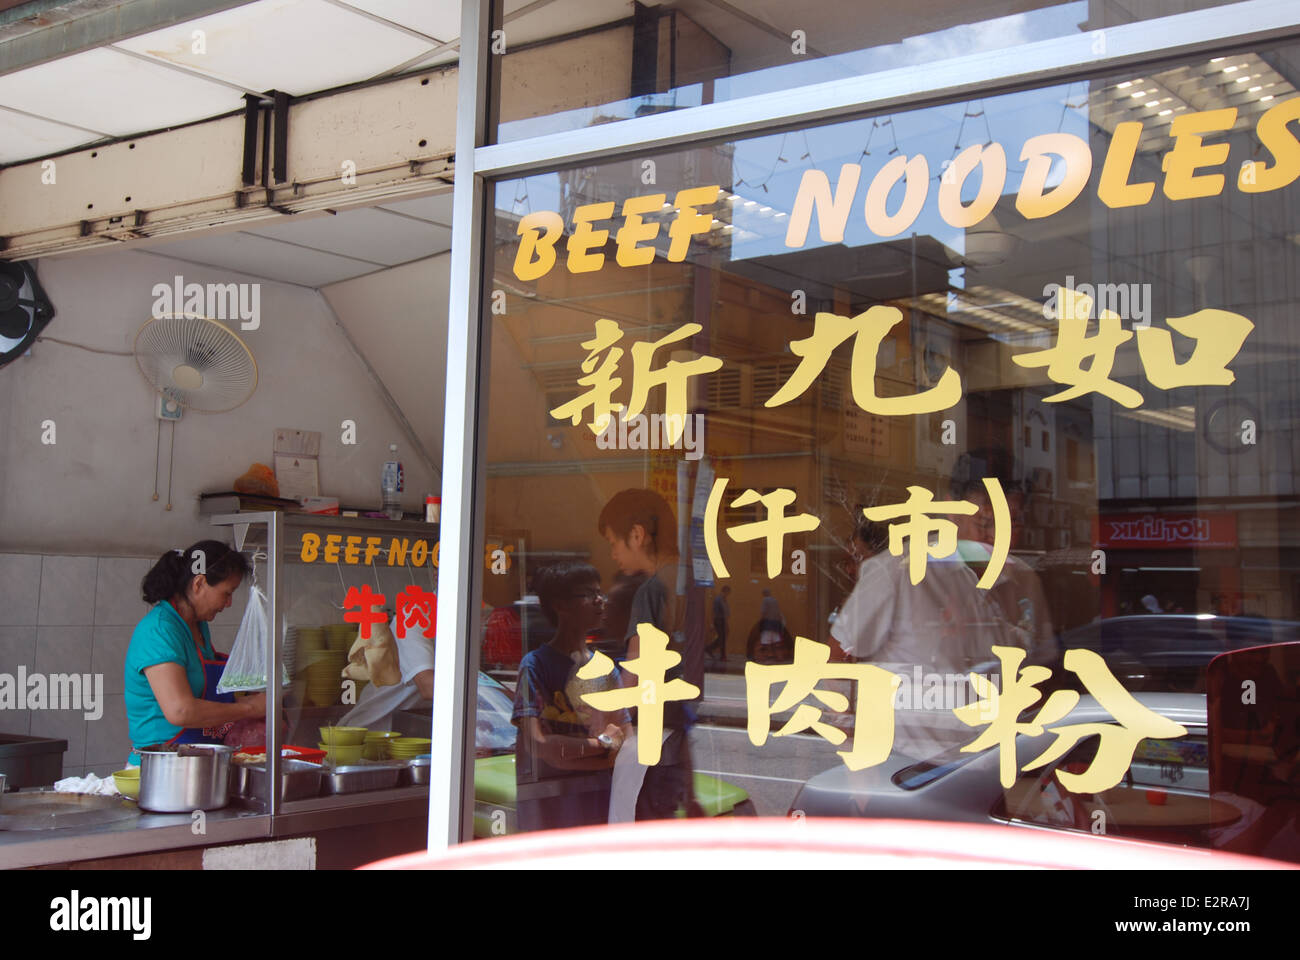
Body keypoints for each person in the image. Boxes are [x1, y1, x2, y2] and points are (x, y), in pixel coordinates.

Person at [598, 488, 703, 820]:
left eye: (613, 542)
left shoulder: (651, 591)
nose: (613, 554)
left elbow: (635, 670)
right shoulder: (690, 583)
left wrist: (607, 728)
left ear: (637, 535)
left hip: (648, 748)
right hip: (676, 742)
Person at [124, 540, 265, 765]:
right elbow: (180, 711)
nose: (229, 603)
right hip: (160, 767)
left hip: (196, 763)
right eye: (227, 593)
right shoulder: (159, 630)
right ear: (199, 583)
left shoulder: (198, 626)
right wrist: (249, 708)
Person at [511, 562, 629, 831]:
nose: (599, 600)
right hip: (547, 811)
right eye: (588, 593)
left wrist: (565, 753)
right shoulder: (535, 666)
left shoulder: (606, 669)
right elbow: (540, 745)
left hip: (597, 805)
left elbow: (624, 743)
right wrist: (602, 744)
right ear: (559, 605)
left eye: (600, 592)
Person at [339, 604, 435, 732]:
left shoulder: (458, 622)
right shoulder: (414, 616)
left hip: (413, 730)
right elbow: (429, 687)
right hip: (370, 731)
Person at [705, 585, 731, 662]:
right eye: (727, 592)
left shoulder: (723, 599)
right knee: (722, 638)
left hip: (722, 620)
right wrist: (713, 623)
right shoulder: (718, 599)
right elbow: (715, 611)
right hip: (719, 620)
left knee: (722, 638)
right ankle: (722, 655)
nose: (728, 594)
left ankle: (709, 649)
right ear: (725, 591)